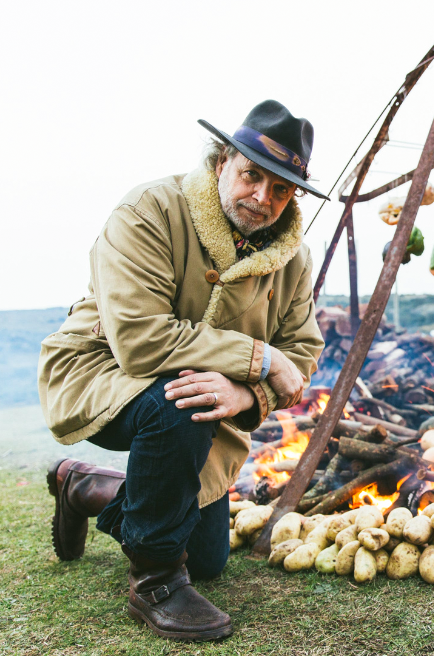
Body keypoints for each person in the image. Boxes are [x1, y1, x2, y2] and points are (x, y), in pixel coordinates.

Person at [38, 100, 326, 642]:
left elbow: (301, 352)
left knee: (210, 558)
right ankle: (155, 582)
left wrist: (248, 398)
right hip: (102, 369)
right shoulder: (148, 210)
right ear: (222, 163)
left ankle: (82, 488)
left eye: (282, 188)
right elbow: (139, 341)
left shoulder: (294, 257)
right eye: (252, 175)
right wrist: (258, 360)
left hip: (210, 394)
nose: (263, 198)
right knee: (183, 401)